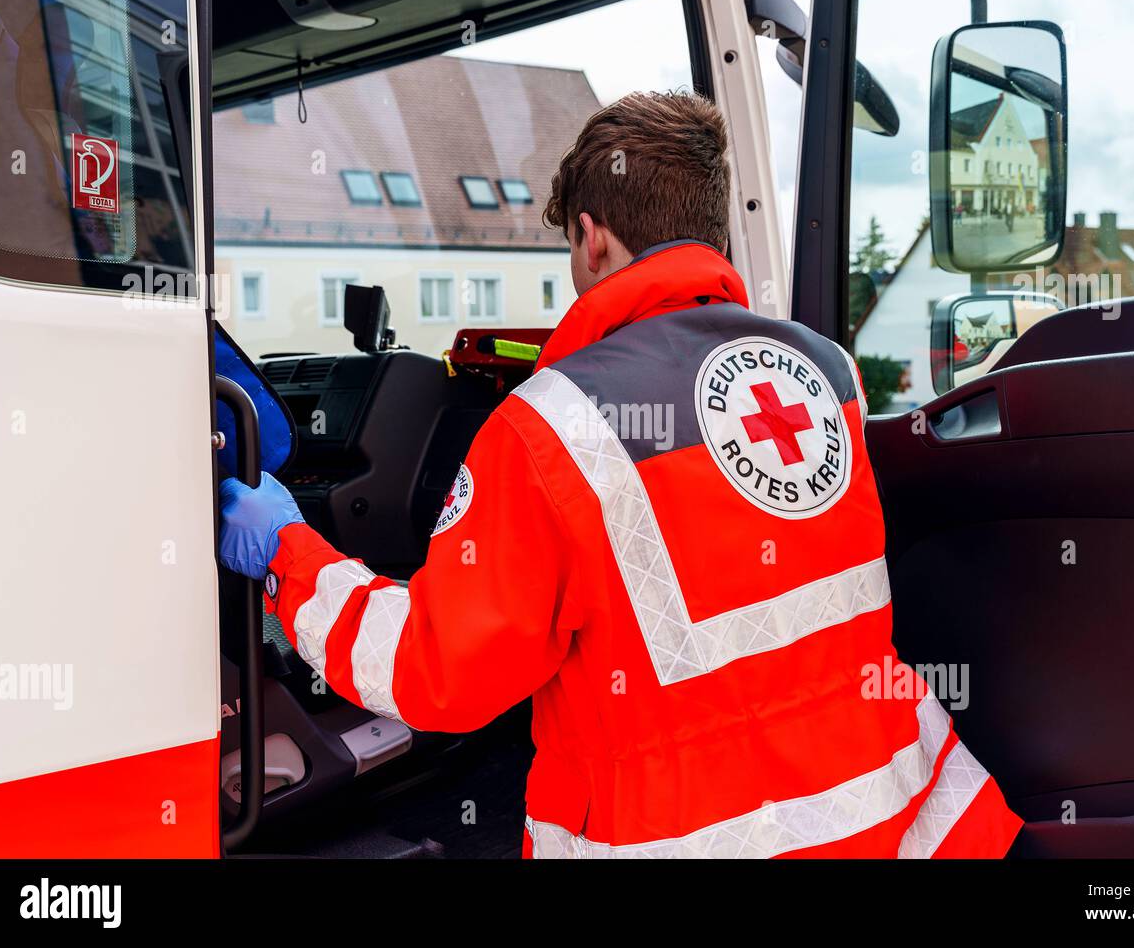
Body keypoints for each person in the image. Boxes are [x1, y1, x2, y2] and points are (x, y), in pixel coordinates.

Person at [218, 91, 1023, 858]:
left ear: (591, 236)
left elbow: (439, 674)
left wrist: (289, 549)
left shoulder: (551, 423)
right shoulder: (825, 370)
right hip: (897, 814)